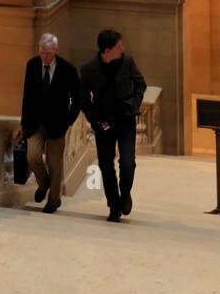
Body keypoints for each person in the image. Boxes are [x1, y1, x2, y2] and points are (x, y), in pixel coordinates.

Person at [79, 30, 146, 223]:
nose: (122, 49)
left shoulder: (127, 61)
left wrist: (133, 106)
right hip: (105, 124)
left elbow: (141, 84)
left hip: (125, 120)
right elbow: (83, 100)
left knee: (127, 163)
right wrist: (97, 120)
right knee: (106, 165)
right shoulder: (88, 69)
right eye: (119, 46)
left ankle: (125, 193)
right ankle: (114, 206)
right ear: (107, 50)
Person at [19, 33, 80, 214]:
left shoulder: (68, 70)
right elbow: (27, 96)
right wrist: (24, 122)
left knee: (54, 164)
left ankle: (54, 201)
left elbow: (77, 99)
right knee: (32, 157)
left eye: (48, 53)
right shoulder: (32, 65)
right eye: (42, 52)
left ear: (56, 51)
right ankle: (43, 184)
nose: (44, 57)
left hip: (57, 125)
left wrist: (69, 120)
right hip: (34, 123)